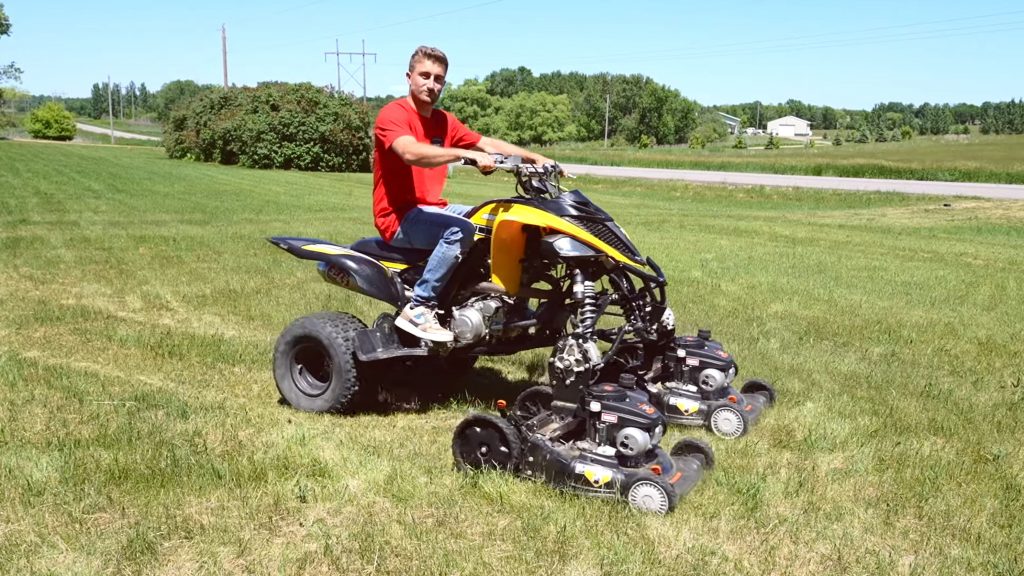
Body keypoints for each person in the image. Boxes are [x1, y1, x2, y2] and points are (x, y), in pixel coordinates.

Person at [373, 46, 555, 342]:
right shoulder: (393, 114)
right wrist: (463, 154)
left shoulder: (444, 121)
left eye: (439, 79)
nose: (431, 84)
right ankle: (419, 307)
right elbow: (409, 152)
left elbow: (487, 143)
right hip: (399, 217)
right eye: (425, 76)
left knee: (505, 220)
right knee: (460, 230)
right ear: (409, 77)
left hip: (434, 209)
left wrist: (535, 158)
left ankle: (515, 305)